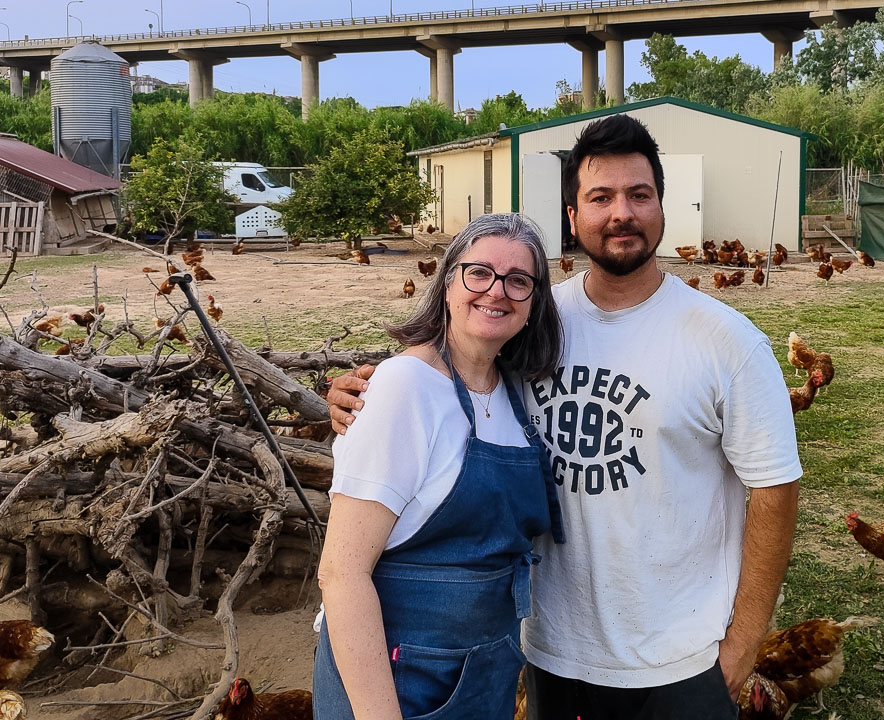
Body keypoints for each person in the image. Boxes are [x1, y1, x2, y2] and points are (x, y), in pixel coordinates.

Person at [327, 114, 801, 720]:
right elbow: (454, 368)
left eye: (639, 194)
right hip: (551, 651)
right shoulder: (535, 319)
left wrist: (742, 643)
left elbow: (776, 488)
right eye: (599, 197)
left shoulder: (726, 343)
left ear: (661, 207)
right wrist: (360, 393)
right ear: (573, 217)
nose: (620, 213)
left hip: (679, 658)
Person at [313, 213, 564, 720]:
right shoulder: (403, 387)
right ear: (448, 281)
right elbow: (341, 574)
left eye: (519, 281)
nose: (497, 291)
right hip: (397, 678)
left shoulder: (516, 394)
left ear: (533, 302)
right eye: (479, 272)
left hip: (483, 667)